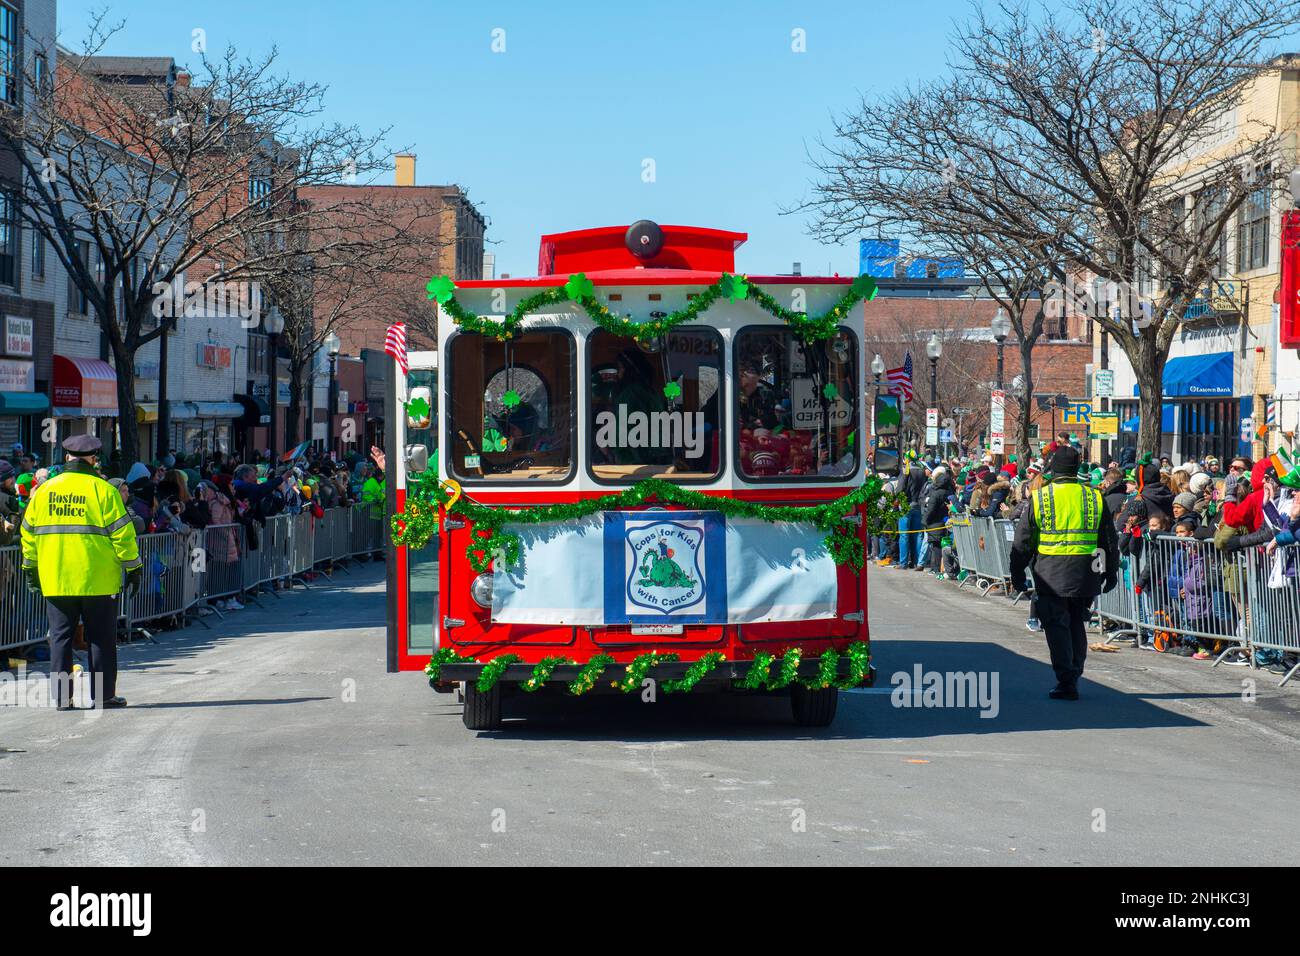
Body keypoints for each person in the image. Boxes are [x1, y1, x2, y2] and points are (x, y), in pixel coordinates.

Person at [20, 435, 141, 710]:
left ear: (66, 458)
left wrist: (30, 568)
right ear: (94, 459)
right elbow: (123, 534)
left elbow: (27, 533)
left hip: (57, 579)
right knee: (100, 638)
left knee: (60, 638)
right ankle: (103, 696)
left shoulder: (45, 491)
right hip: (98, 580)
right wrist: (133, 567)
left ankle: (63, 699)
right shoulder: (104, 491)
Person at [1009, 446, 1119, 700]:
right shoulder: (1094, 497)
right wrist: (1110, 571)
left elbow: (1022, 542)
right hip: (1086, 572)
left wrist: (1016, 574)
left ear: (1053, 469)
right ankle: (1074, 673)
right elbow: (1109, 540)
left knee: (1057, 625)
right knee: (1076, 623)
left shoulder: (1040, 498)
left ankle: (1067, 679)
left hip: (1051, 571)